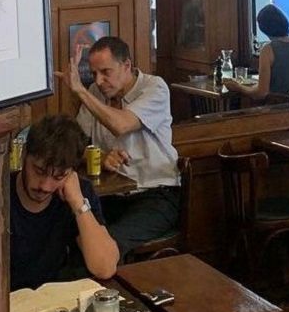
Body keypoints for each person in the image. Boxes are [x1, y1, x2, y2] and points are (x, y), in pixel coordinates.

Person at [58, 36, 181, 258]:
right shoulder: (97, 93)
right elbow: (75, 145)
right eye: (94, 74)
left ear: (127, 66)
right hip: (112, 196)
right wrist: (99, 156)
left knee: (103, 246)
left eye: (106, 72)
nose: (99, 80)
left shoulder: (155, 87)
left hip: (156, 195)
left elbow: (121, 124)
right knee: (67, 233)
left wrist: (80, 91)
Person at [10, 115, 119, 291]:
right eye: (39, 171)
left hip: (55, 299)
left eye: (58, 176)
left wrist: (78, 203)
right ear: (24, 155)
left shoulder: (78, 194)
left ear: (71, 173)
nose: (45, 186)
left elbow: (105, 268)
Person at [224, 4, 289, 100]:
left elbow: (261, 92)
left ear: (264, 28)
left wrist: (239, 88)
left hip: (277, 107)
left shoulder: (268, 50)